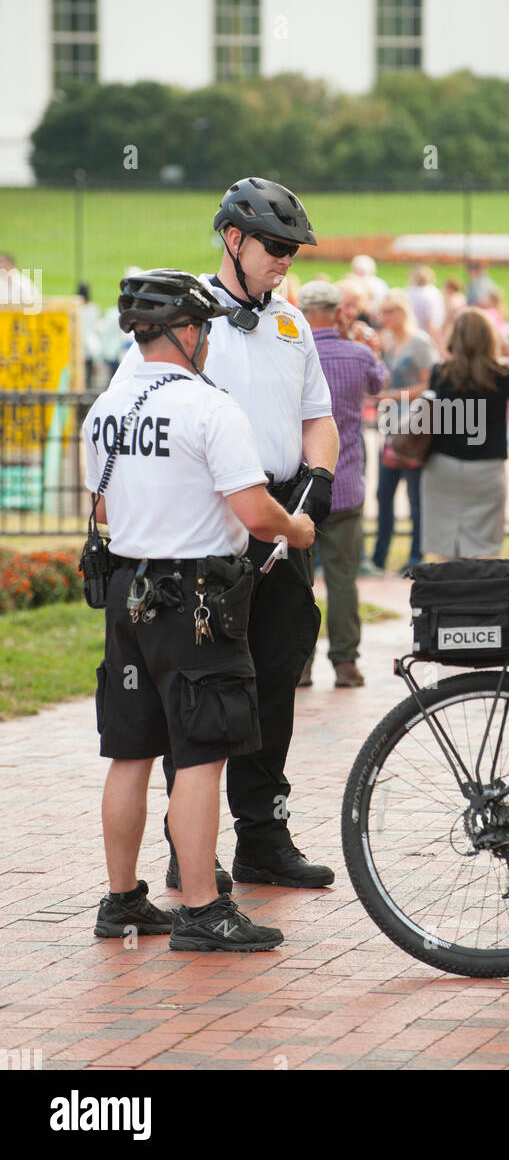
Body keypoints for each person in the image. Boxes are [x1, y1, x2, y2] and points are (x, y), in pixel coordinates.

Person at [114, 177, 339, 892]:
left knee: (273, 679)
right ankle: (193, 851)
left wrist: (320, 477)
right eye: (275, 246)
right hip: (205, 522)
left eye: (293, 249)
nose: (286, 260)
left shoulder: (291, 323)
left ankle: (263, 838)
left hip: (276, 513)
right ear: (232, 240)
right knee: (199, 689)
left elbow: (317, 417)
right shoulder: (178, 321)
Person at [84, 270, 315, 951]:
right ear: (185, 332)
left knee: (129, 753)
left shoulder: (105, 408)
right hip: (198, 602)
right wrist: (297, 530)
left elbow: (101, 507)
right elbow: (253, 512)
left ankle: (122, 901)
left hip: (127, 596)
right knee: (200, 757)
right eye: (204, 328)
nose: (209, 340)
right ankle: (202, 909)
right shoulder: (209, 408)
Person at [296, 280, 388, 686]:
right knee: (342, 579)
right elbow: (380, 383)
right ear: (338, 312)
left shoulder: (293, 355)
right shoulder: (358, 355)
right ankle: (345, 662)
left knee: (298, 583)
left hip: (297, 486)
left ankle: (299, 665)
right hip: (345, 481)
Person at [421, 309, 509, 560]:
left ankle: (450, 597)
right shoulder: (500, 374)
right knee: (483, 547)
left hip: (443, 465)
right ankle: (480, 596)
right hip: (486, 468)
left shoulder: (441, 373)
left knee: (446, 547)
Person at [371, 289, 436, 574]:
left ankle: (416, 557)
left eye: (389, 311)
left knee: (414, 497)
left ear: (402, 312)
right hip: (390, 427)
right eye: (382, 312)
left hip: (413, 429)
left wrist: (395, 395)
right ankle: (379, 556)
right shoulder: (389, 342)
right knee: (383, 493)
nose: (384, 317)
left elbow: (431, 383)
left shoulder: (419, 342)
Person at [407, 264, 446, 340]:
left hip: (409, 335)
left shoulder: (408, 291)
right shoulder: (433, 293)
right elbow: (432, 321)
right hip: (427, 336)